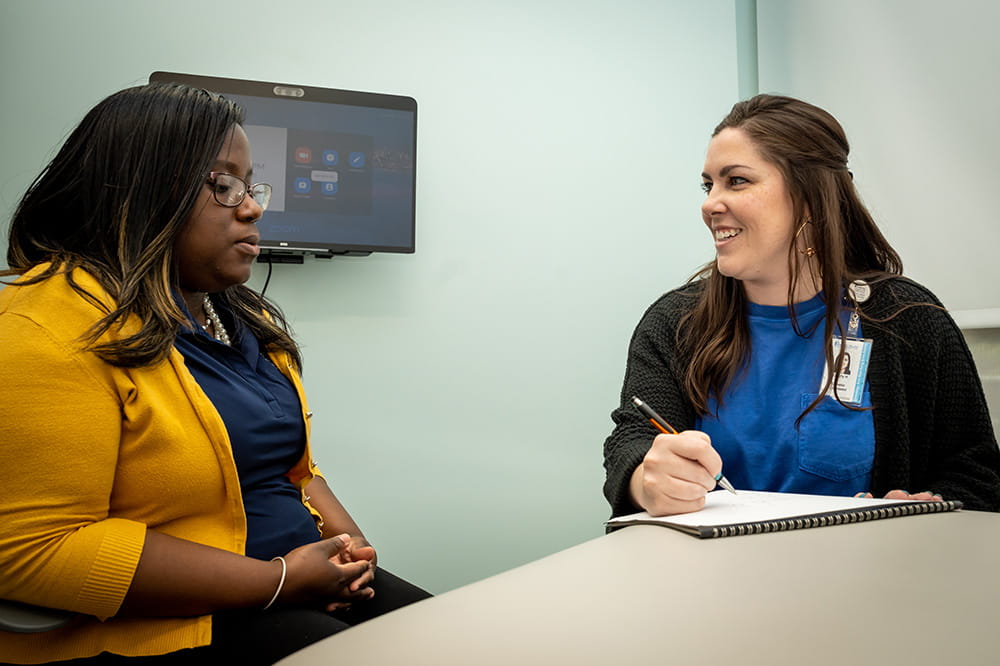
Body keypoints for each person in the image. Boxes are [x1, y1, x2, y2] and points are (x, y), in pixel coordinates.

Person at [0, 82, 429, 665]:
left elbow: (292, 471)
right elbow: (32, 549)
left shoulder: (231, 313)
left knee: (465, 634)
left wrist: (349, 553)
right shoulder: (45, 325)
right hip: (172, 620)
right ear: (140, 191)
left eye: (250, 186)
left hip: (290, 578)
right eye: (223, 186)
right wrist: (278, 581)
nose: (252, 207)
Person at [603, 94, 1000, 519]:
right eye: (708, 184)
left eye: (736, 180)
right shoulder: (674, 323)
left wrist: (929, 506)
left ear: (809, 196)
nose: (709, 203)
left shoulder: (907, 318)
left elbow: (976, 474)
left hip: (869, 577)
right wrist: (646, 479)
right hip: (710, 577)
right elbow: (632, 439)